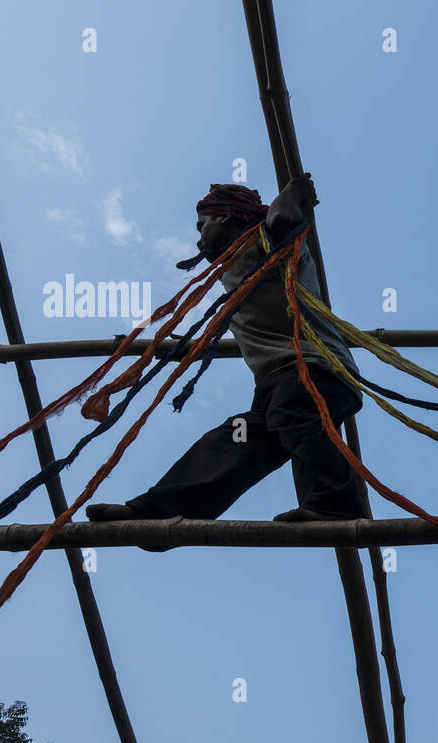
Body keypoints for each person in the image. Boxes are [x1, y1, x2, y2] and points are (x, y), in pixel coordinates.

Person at [85, 177, 366, 549]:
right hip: (277, 385)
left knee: (297, 416)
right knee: (235, 437)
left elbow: (282, 218)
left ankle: (335, 507)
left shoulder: (267, 241)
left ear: (230, 216)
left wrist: (295, 191)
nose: (199, 238)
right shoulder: (234, 269)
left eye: (204, 224)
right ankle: (160, 510)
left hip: (313, 371)